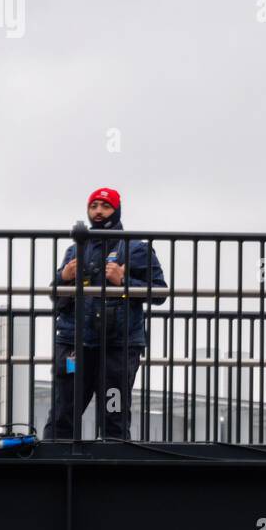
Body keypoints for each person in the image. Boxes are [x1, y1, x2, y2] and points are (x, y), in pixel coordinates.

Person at [43, 187, 167, 440]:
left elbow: (160, 293)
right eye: (93, 206)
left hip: (117, 347)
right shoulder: (74, 250)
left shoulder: (136, 248)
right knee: (62, 414)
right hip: (73, 343)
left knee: (114, 416)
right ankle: (53, 471)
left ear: (116, 210)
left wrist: (124, 281)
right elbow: (56, 297)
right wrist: (63, 278)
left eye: (105, 206)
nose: (98, 212)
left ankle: (113, 473)